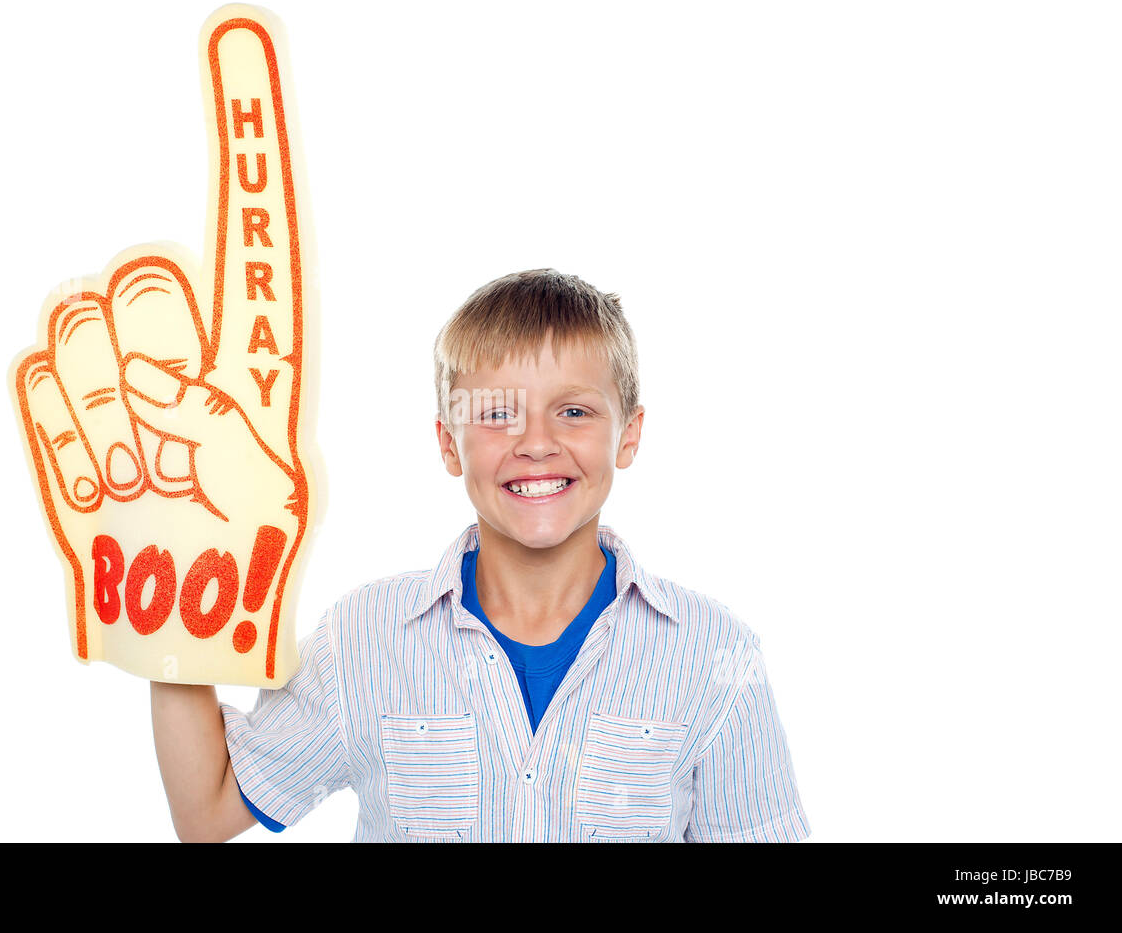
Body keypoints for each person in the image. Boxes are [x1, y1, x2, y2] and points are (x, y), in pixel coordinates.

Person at [150, 268, 811, 842]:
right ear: (448, 442)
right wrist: (166, 589)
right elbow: (207, 813)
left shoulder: (713, 654)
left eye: (574, 411)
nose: (536, 442)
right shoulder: (362, 639)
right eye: (496, 413)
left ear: (629, 434)